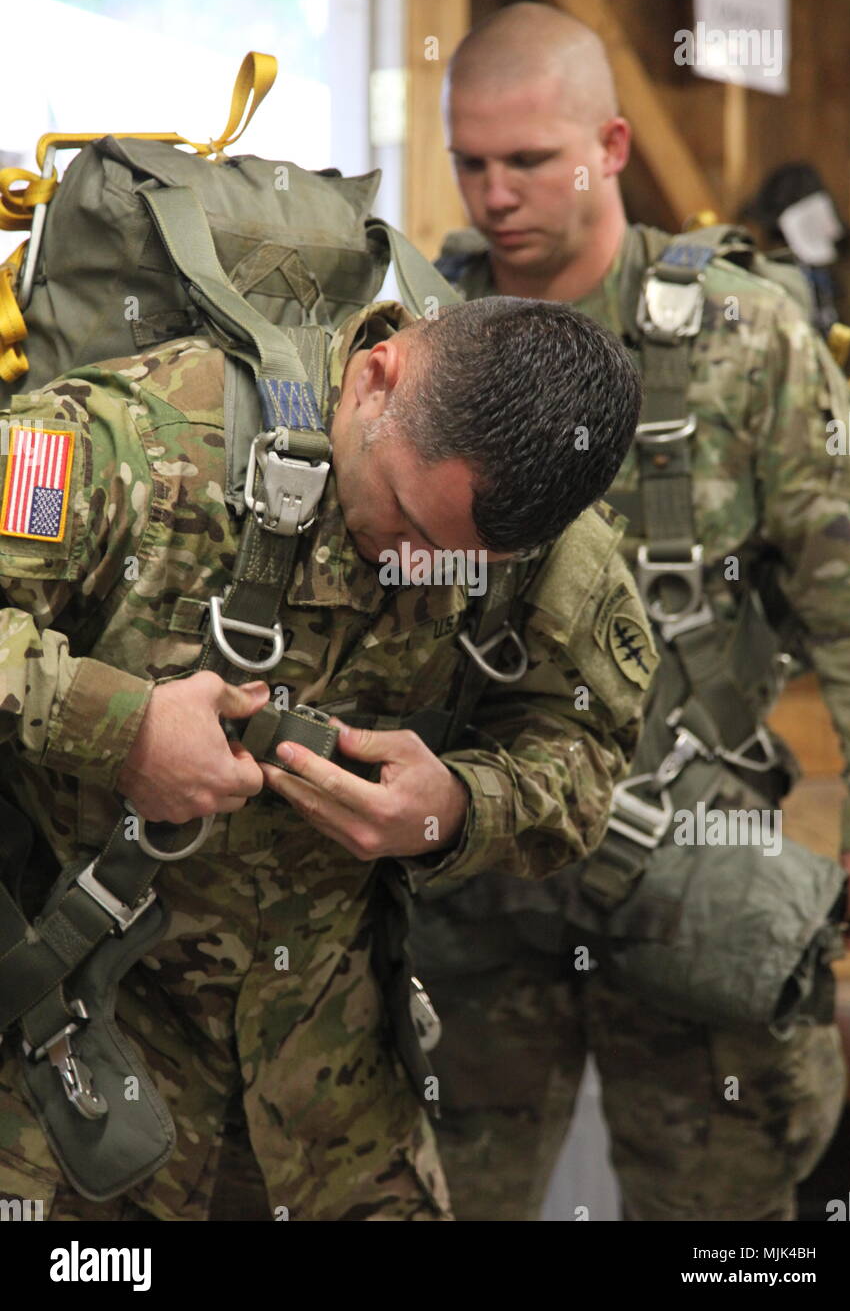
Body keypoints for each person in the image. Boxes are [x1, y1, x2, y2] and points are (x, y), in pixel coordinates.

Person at [0, 291, 651, 1221]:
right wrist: (118, 727)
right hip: (67, 1081)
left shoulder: (520, 516)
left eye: (460, 563)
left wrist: (458, 807)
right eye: (409, 524)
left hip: (337, 1099)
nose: (417, 567)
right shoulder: (132, 443)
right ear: (377, 379)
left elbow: (588, 743)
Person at [411, 1, 850, 1222]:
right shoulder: (420, 332)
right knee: (443, 1198)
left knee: (719, 1215)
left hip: (687, 844)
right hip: (476, 852)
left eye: (528, 159)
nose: (494, 194)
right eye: (469, 162)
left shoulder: (743, 335)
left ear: (610, 146)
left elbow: (848, 595)